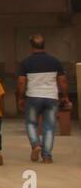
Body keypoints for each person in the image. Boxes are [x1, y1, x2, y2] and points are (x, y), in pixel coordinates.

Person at [16, 34, 70, 164]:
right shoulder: (55, 61)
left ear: (32, 46)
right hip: (51, 98)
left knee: (31, 123)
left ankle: (35, 145)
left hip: (33, 97)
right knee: (49, 127)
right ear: (44, 45)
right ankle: (47, 156)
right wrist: (65, 97)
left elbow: (21, 82)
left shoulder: (26, 62)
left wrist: (21, 98)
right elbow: (62, 81)